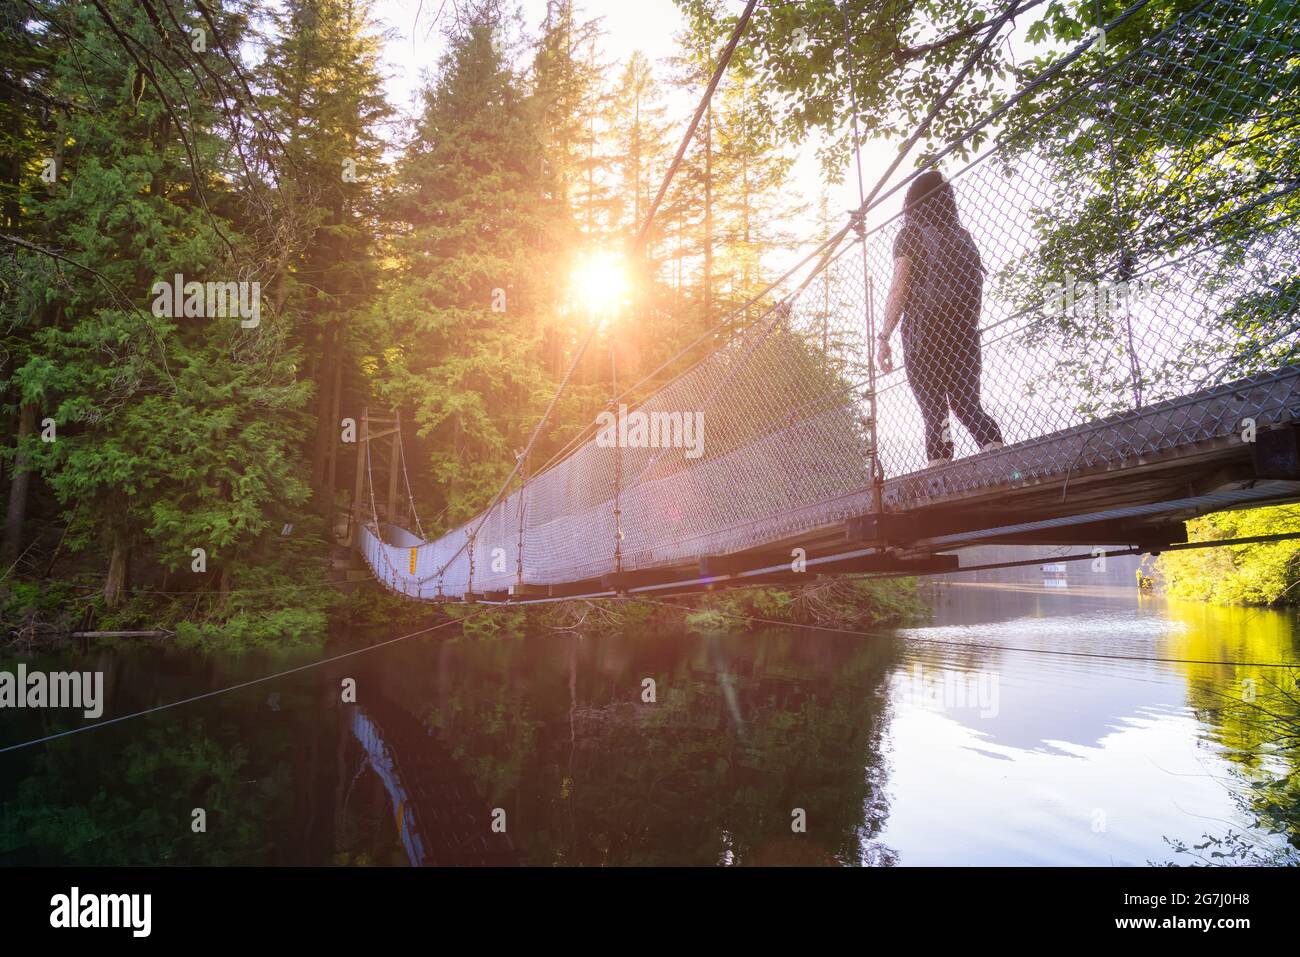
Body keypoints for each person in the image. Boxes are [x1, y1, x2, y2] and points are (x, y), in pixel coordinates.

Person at [876, 169, 1004, 467]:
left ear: (912, 202)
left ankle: (940, 469)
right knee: (967, 404)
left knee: (935, 412)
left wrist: (884, 336)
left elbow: (900, 285)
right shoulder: (963, 238)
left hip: (924, 333)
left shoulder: (910, 234)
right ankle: (998, 456)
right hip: (963, 331)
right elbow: (976, 287)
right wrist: (966, 322)